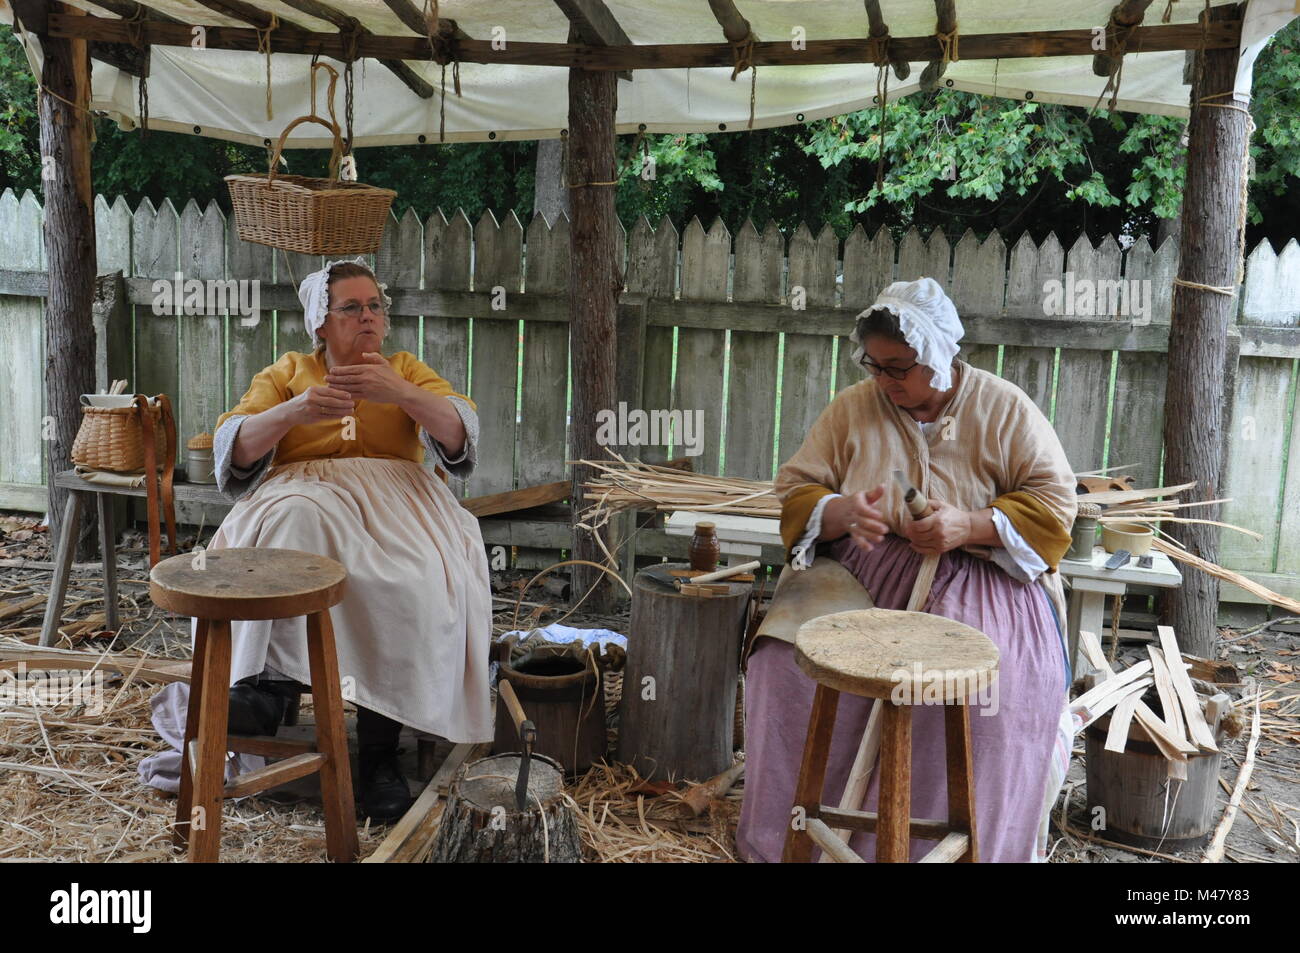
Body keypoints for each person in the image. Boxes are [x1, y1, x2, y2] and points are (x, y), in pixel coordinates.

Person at [737, 277, 1077, 863]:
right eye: (876, 366)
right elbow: (796, 488)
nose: (885, 381)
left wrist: (969, 525)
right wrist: (841, 512)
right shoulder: (852, 408)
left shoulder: (1003, 406)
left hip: (982, 578)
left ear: (937, 357)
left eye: (899, 368)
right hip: (860, 575)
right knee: (781, 670)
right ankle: (799, 845)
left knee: (992, 697)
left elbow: (1055, 507)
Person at [205, 257, 491, 822]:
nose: (368, 317)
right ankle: (266, 686)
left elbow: (461, 434)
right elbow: (232, 450)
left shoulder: (405, 368)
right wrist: (297, 409)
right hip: (305, 493)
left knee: (411, 581)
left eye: (375, 306)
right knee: (297, 517)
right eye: (352, 307)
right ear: (320, 322)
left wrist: (401, 393)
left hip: (399, 504)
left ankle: (379, 755)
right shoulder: (288, 371)